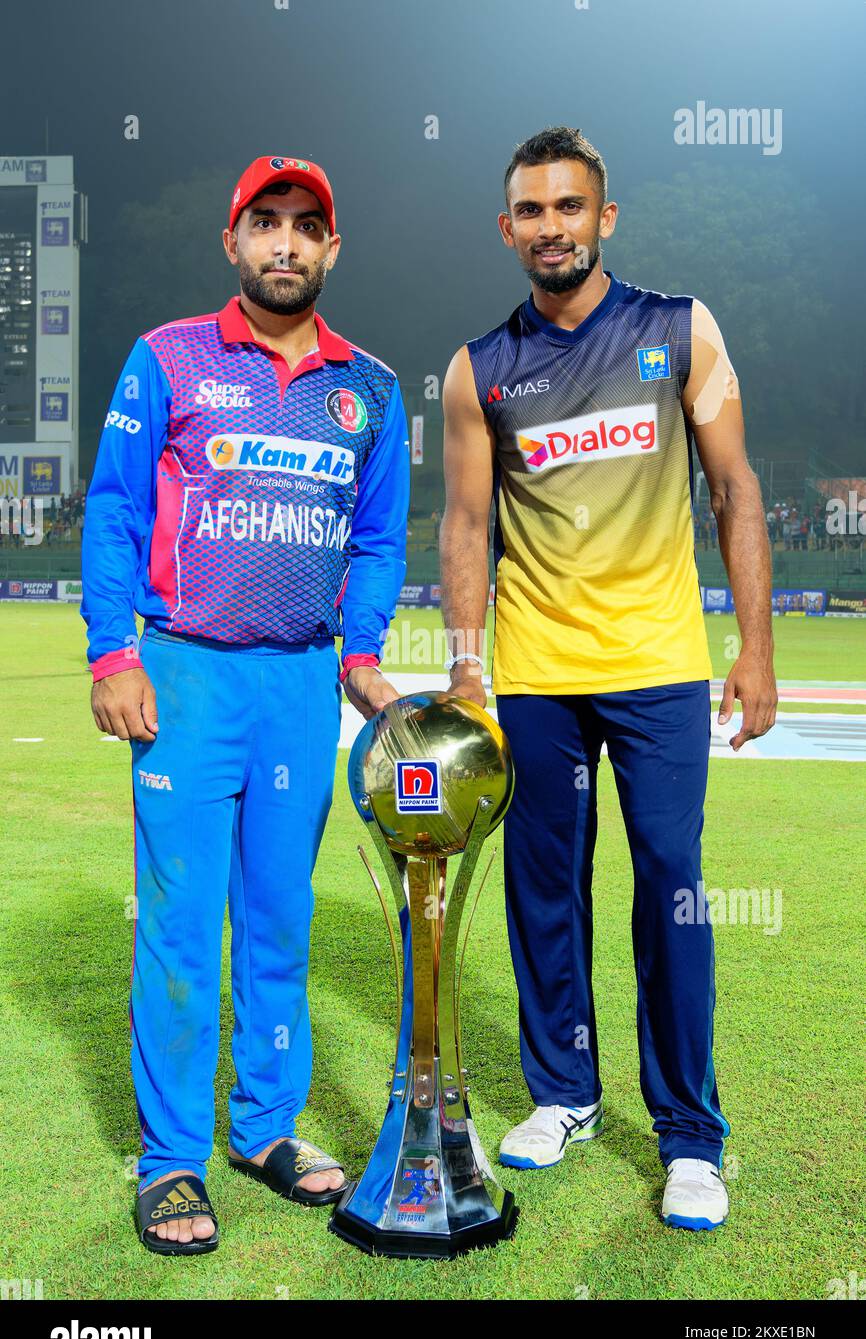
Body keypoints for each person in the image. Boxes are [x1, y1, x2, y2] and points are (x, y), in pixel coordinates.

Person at [439, 127, 777, 1231]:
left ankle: (689, 1134)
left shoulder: (676, 330)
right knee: (546, 892)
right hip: (536, 672)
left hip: (658, 666)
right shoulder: (476, 367)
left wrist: (756, 652)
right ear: (506, 229)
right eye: (530, 211)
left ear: (604, 217)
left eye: (568, 207)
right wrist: (464, 666)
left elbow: (731, 491)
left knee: (670, 887)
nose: (550, 226)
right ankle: (563, 1092)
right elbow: (465, 520)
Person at [82, 155, 410, 1255]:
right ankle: (172, 1157)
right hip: (185, 675)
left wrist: (361, 655)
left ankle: (262, 1128)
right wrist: (109, 655)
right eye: (263, 224)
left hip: (297, 684)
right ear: (233, 242)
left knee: (278, 919)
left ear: (330, 249)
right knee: (179, 927)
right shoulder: (167, 357)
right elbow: (117, 511)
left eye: (304, 227)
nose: (284, 244)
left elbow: (374, 540)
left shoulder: (368, 385)